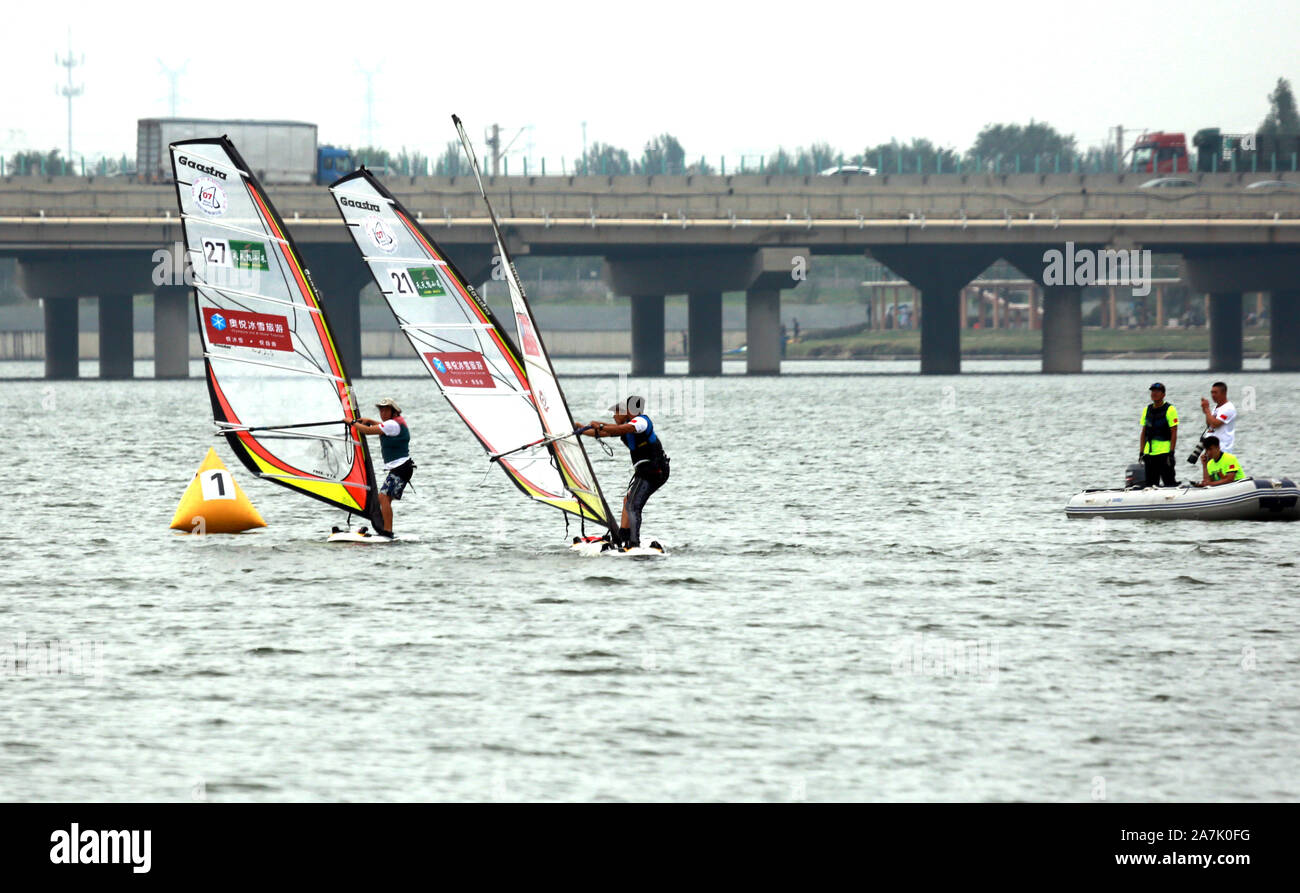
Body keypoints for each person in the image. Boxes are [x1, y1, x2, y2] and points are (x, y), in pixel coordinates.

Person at [577, 395, 670, 550]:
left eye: (616, 412)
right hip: (645, 472)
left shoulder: (641, 422)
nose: (614, 416)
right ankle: (622, 538)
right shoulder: (627, 425)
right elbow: (606, 432)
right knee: (628, 502)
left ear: (628, 411)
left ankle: (634, 544)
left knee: (633, 505)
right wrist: (580, 429)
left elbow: (621, 429)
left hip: (654, 471)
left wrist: (600, 426)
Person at [349, 398, 415, 537]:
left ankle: (387, 531)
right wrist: (372, 421)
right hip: (402, 468)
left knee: (383, 497)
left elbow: (367, 431)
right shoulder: (395, 423)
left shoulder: (392, 424)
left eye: (385, 410)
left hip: (401, 468)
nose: (382, 413)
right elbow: (381, 427)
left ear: (393, 411)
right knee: (385, 498)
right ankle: (386, 529)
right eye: (381, 410)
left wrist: (351, 422)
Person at [1139, 382, 1179, 487]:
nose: (1154, 393)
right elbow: (1143, 432)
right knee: (1150, 485)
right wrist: (1141, 452)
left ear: (1163, 394)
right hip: (1149, 454)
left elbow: (1174, 432)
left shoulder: (1170, 409)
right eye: (1152, 391)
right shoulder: (1147, 410)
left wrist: (1171, 453)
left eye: (1157, 391)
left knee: (1169, 483)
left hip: (1164, 453)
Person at [1199, 380, 1237, 454]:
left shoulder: (1228, 408)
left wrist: (1207, 409)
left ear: (1224, 393)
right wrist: (1206, 411)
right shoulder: (1216, 408)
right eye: (1212, 392)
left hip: (1223, 451)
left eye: (1215, 392)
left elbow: (1215, 424)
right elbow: (1209, 424)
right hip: (1211, 450)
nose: (1213, 395)